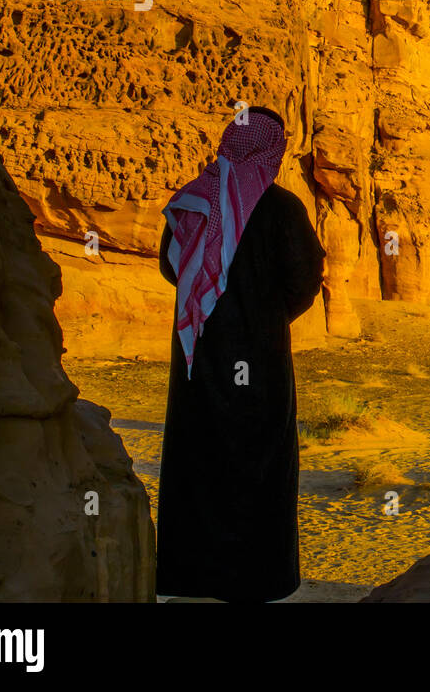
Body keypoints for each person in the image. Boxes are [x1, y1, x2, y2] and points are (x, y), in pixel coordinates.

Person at [154, 105, 325, 602]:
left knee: (200, 455)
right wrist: (268, 316)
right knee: (259, 463)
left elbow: (171, 267)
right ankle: (255, 579)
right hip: (261, 358)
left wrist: (208, 302)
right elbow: (305, 279)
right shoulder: (282, 208)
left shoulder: (192, 201)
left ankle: (193, 574)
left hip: (198, 355)